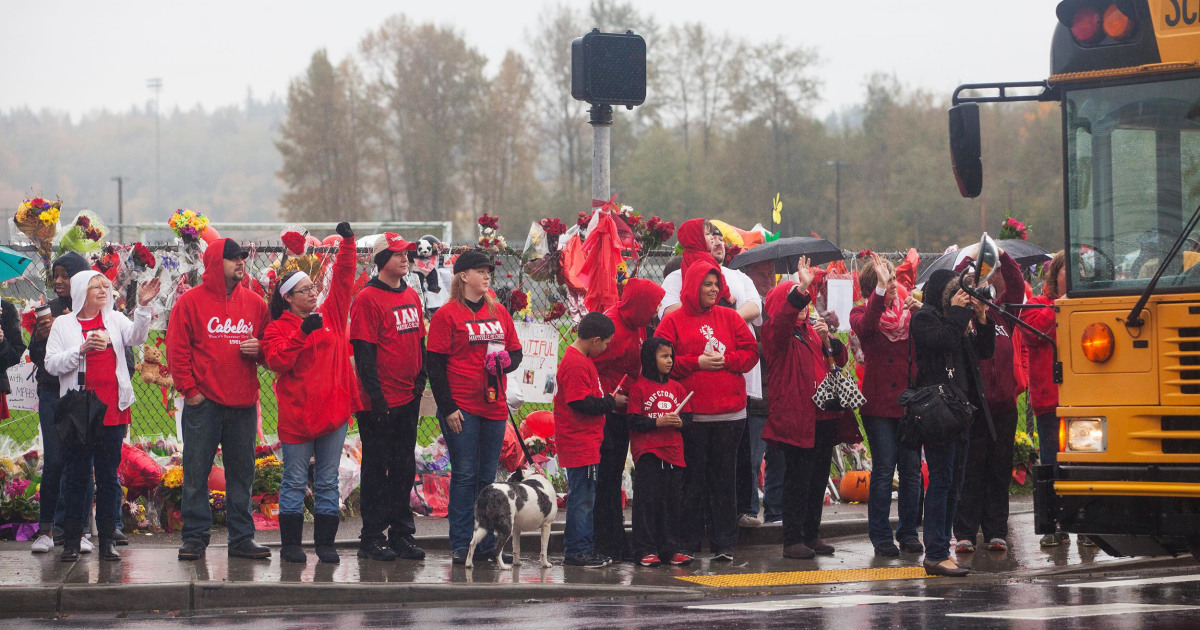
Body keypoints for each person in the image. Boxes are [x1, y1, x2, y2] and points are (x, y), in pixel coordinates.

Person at [45, 271, 161, 561]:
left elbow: (137, 336)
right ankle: (73, 539)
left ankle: (107, 539)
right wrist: (81, 350)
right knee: (77, 476)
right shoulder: (63, 324)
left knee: (109, 477)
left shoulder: (115, 319)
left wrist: (143, 307)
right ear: (82, 290)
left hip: (113, 407)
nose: (103, 290)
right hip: (78, 411)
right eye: (96, 286)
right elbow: (50, 364)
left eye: (105, 286)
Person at [263, 222, 359, 565]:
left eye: (312, 288)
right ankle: (291, 545)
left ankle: (325, 545)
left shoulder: (330, 313)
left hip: (333, 415)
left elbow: (345, 278)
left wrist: (348, 242)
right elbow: (277, 361)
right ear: (288, 298)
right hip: (298, 418)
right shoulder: (278, 328)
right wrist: (303, 332)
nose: (312, 293)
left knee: (328, 481)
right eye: (303, 291)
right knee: (292, 481)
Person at [658, 219, 764, 529]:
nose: (715, 240)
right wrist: (702, 321)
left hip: (732, 393)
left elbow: (754, 307)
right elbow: (669, 314)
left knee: (733, 462)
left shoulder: (735, 277)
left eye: (717, 235)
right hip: (693, 397)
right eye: (708, 234)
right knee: (697, 468)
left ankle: (737, 518)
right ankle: (693, 530)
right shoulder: (676, 278)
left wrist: (722, 318)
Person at [169, 238, 271, 562]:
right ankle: (195, 538)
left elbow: (271, 346)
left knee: (241, 475)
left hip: (243, 403)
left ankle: (241, 538)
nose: (240, 263)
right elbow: (177, 349)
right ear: (214, 263)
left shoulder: (256, 304)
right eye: (231, 259)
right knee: (196, 471)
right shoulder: (190, 302)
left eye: (242, 258)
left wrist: (262, 350)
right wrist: (191, 392)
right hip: (205, 404)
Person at [426, 250, 523, 565]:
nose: (487, 276)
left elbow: (515, 352)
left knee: (486, 478)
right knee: (465, 475)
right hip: (461, 408)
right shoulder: (447, 315)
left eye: (489, 272)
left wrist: (506, 362)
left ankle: (484, 544)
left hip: (493, 407)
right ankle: (461, 543)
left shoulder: (499, 312)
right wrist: (448, 407)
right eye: (480, 271)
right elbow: (435, 366)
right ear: (463, 276)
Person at [761, 257, 848, 559]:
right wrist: (800, 287)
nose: (802, 306)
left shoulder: (810, 330)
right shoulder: (775, 332)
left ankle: (812, 534)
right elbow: (783, 318)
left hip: (822, 413)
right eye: (795, 300)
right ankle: (793, 539)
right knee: (797, 478)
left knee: (817, 477)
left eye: (803, 301)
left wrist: (830, 343)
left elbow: (838, 361)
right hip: (797, 416)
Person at [910, 269, 994, 577]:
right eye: (955, 292)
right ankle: (934, 552)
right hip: (938, 413)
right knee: (942, 481)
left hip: (961, 412)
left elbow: (985, 351)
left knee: (955, 484)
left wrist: (982, 317)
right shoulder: (925, 318)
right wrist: (959, 313)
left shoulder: (957, 321)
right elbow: (943, 342)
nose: (960, 297)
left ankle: (941, 549)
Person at [351, 233, 427, 562]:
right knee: (376, 469)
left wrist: (420, 376)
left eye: (406, 253)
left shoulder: (411, 293)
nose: (405, 259)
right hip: (378, 402)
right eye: (397, 254)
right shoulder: (368, 298)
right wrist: (376, 396)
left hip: (407, 397)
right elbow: (364, 353)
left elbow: (419, 341)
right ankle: (372, 537)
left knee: (403, 468)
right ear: (382, 261)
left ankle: (401, 534)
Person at [849, 252, 924, 557]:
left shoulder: (910, 313)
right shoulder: (860, 313)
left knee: (911, 469)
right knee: (884, 469)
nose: (893, 283)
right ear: (873, 285)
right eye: (886, 279)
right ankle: (881, 535)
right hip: (879, 405)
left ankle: (908, 532)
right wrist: (880, 291)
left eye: (893, 278)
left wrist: (925, 312)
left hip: (909, 403)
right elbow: (867, 328)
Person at [954, 252, 1025, 554]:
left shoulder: (1001, 315)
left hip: (1004, 408)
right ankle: (966, 533)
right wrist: (965, 265)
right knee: (971, 470)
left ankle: (997, 531)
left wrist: (1002, 256)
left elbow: (1017, 286)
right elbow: (950, 286)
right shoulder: (960, 319)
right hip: (974, 408)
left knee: (999, 469)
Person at [591, 277, 665, 562]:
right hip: (608, 410)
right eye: (653, 305)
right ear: (641, 305)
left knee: (612, 480)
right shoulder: (614, 328)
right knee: (606, 480)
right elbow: (590, 367)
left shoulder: (637, 325)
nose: (656, 311)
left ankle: (614, 541)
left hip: (622, 409)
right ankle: (606, 541)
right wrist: (609, 397)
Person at [27, 254, 86, 554]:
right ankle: (46, 529)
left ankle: (79, 529)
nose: (60, 281)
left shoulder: (90, 308)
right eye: (56, 276)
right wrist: (40, 339)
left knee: (81, 462)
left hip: (82, 393)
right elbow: (37, 358)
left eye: (66, 275)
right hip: (52, 394)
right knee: (54, 461)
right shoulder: (47, 310)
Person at [555, 312, 619, 568]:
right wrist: (607, 403)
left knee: (585, 496)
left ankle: (584, 547)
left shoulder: (581, 360)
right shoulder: (576, 363)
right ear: (595, 340)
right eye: (605, 343)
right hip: (580, 442)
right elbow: (579, 401)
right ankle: (577, 549)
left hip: (586, 442)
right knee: (582, 499)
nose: (605, 348)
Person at [626, 337, 693, 567]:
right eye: (664, 356)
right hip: (649, 454)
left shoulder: (678, 388)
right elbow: (633, 420)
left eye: (671, 356)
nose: (669, 361)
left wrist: (678, 422)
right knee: (647, 503)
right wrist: (658, 423)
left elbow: (688, 419)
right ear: (650, 359)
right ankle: (645, 549)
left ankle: (670, 548)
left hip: (674, 454)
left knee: (671, 503)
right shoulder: (639, 388)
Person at [1018, 250, 1069, 548]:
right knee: (1050, 462)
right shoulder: (1037, 305)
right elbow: (1033, 333)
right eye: (1067, 271)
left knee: (1082, 464)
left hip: (1081, 400)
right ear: (1056, 274)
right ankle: (1053, 525)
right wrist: (1060, 308)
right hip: (1050, 401)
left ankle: (1086, 527)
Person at [740, 259, 786, 525]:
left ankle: (775, 511)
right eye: (762, 274)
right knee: (752, 459)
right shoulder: (746, 308)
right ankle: (749, 509)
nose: (769, 278)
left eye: (772, 273)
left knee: (778, 460)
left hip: (779, 397)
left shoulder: (780, 307)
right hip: (756, 398)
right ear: (749, 277)